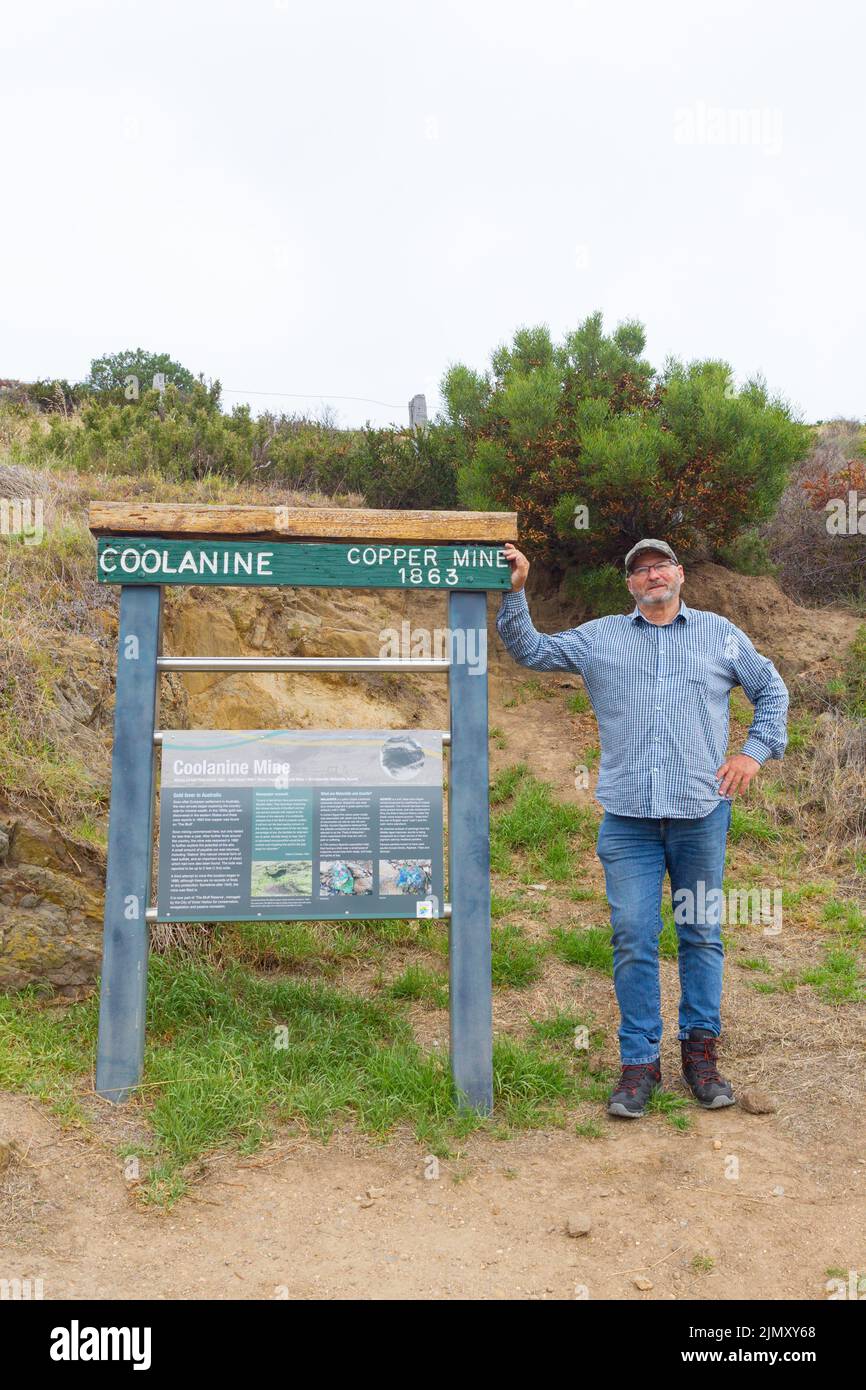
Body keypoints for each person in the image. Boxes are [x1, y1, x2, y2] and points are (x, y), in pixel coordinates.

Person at [496, 538, 789, 1117]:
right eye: (640, 570)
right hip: (628, 821)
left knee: (700, 934)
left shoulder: (720, 634)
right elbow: (530, 651)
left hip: (701, 816)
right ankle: (639, 1065)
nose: (652, 575)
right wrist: (516, 591)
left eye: (660, 566)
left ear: (679, 574)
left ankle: (700, 1058)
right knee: (633, 936)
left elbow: (771, 690)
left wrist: (752, 753)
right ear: (629, 585)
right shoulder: (601, 637)